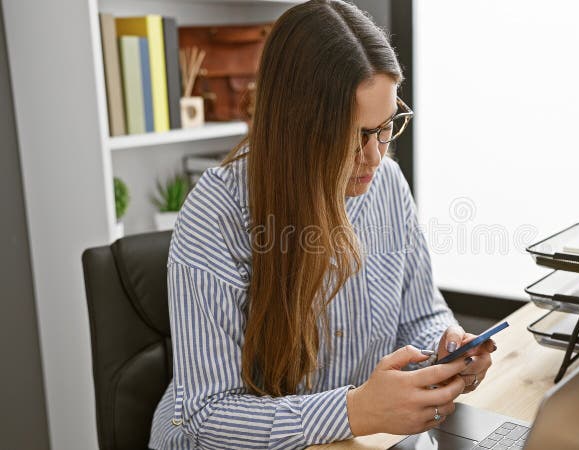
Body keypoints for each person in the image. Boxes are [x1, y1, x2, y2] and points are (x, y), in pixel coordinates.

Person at [149, 1, 496, 448]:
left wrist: (448, 351)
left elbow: (421, 316)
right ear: (295, 127)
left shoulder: (385, 183)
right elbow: (205, 415)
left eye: (385, 126)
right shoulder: (217, 213)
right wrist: (354, 410)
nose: (374, 156)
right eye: (352, 136)